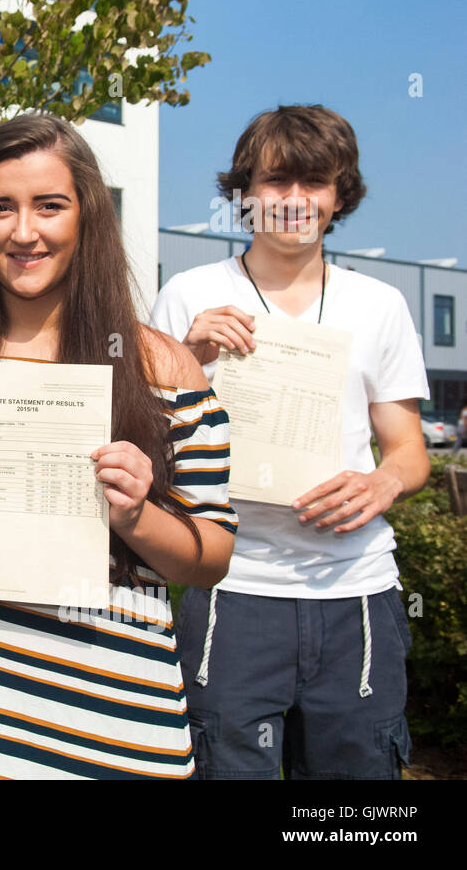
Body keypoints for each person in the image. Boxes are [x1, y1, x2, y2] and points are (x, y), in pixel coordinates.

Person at [0, 113, 237, 779]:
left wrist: (136, 515)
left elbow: (211, 557)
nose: (24, 231)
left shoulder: (165, 367)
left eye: (50, 206)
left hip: (115, 709)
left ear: (87, 216)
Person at [151, 104, 430, 779]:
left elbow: (409, 447)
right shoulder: (190, 294)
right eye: (276, 182)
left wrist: (382, 482)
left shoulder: (381, 303)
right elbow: (144, 442)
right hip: (231, 585)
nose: (295, 201)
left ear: (341, 195)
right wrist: (187, 354)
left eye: (315, 182)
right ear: (244, 193)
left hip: (355, 588)